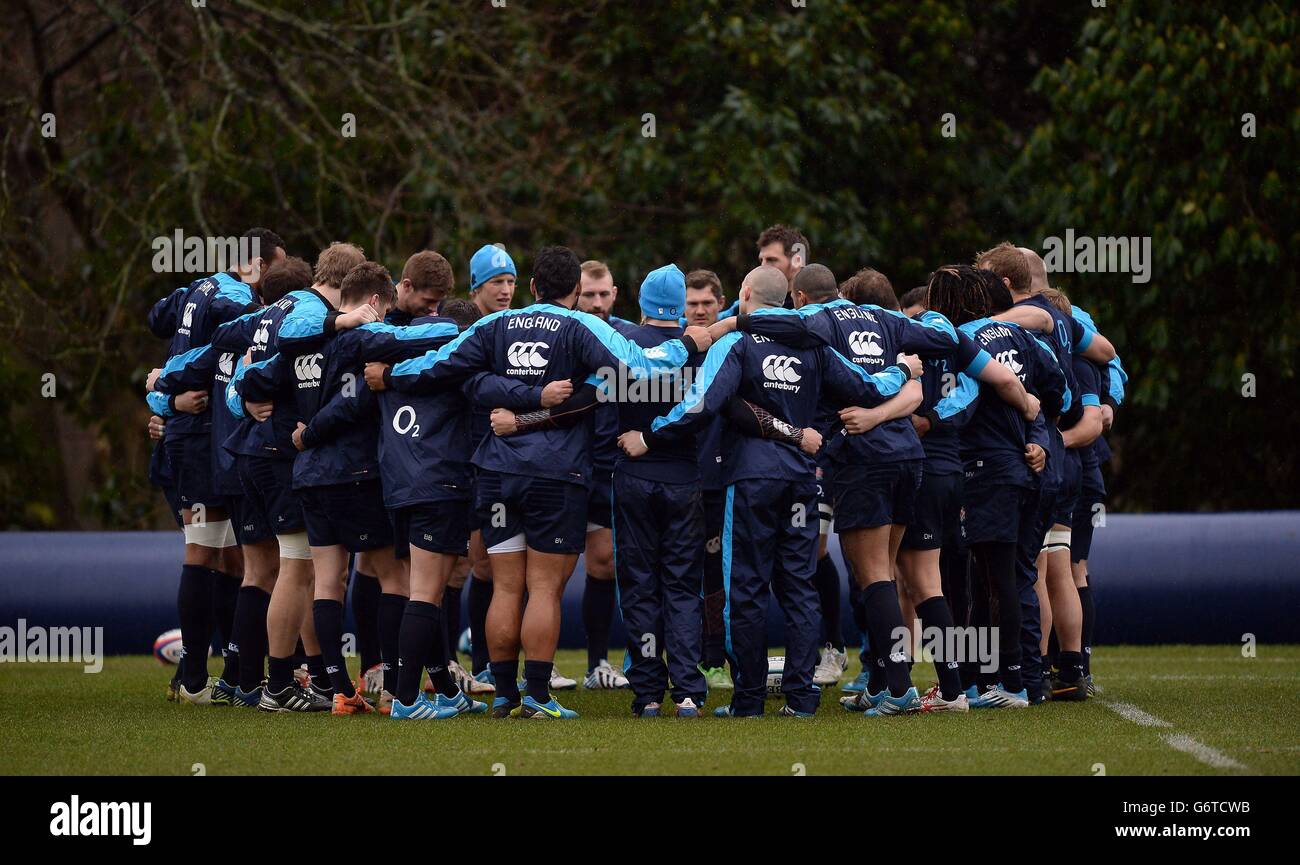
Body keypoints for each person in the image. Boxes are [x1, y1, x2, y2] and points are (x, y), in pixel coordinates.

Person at [371, 246, 714, 719]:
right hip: (556, 474)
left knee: (507, 588)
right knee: (545, 590)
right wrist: (691, 343)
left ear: (531, 286)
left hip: (496, 474)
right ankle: (536, 695)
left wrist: (390, 374)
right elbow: (643, 366)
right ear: (575, 291)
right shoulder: (583, 324)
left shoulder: (494, 324)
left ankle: (505, 693)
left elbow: (441, 365)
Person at [637, 264, 922, 718]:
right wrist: (901, 370)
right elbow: (866, 387)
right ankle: (802, 699)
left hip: (749, 480)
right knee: (798, 587)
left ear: (744, 292)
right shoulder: (813, 343)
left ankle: (748, 699)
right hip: (802, 479)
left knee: (745, 588)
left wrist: (650, 435)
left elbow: (701, 404)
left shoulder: (736, 341)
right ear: (789, 298)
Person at [927, 265, 1066, 708]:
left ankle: (1008, 682)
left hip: (985, 470)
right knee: (1010, 575)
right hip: (1028, 471)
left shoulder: (956, 341)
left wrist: (921, 420)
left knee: (991, 578)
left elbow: (961, 404)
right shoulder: (1017, 335)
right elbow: (1057, 388)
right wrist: (1036, 434)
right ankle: (1015, 678)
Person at [462, 244, 520, 691]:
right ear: (476, 286)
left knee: (490, 566)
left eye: (510, 282)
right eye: (495, 282)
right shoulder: (465, 327)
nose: (504, 290)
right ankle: (473, 661)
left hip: (506, 464)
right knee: (476, 566)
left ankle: (492, 663)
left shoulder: (515, 328)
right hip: (466, 461)